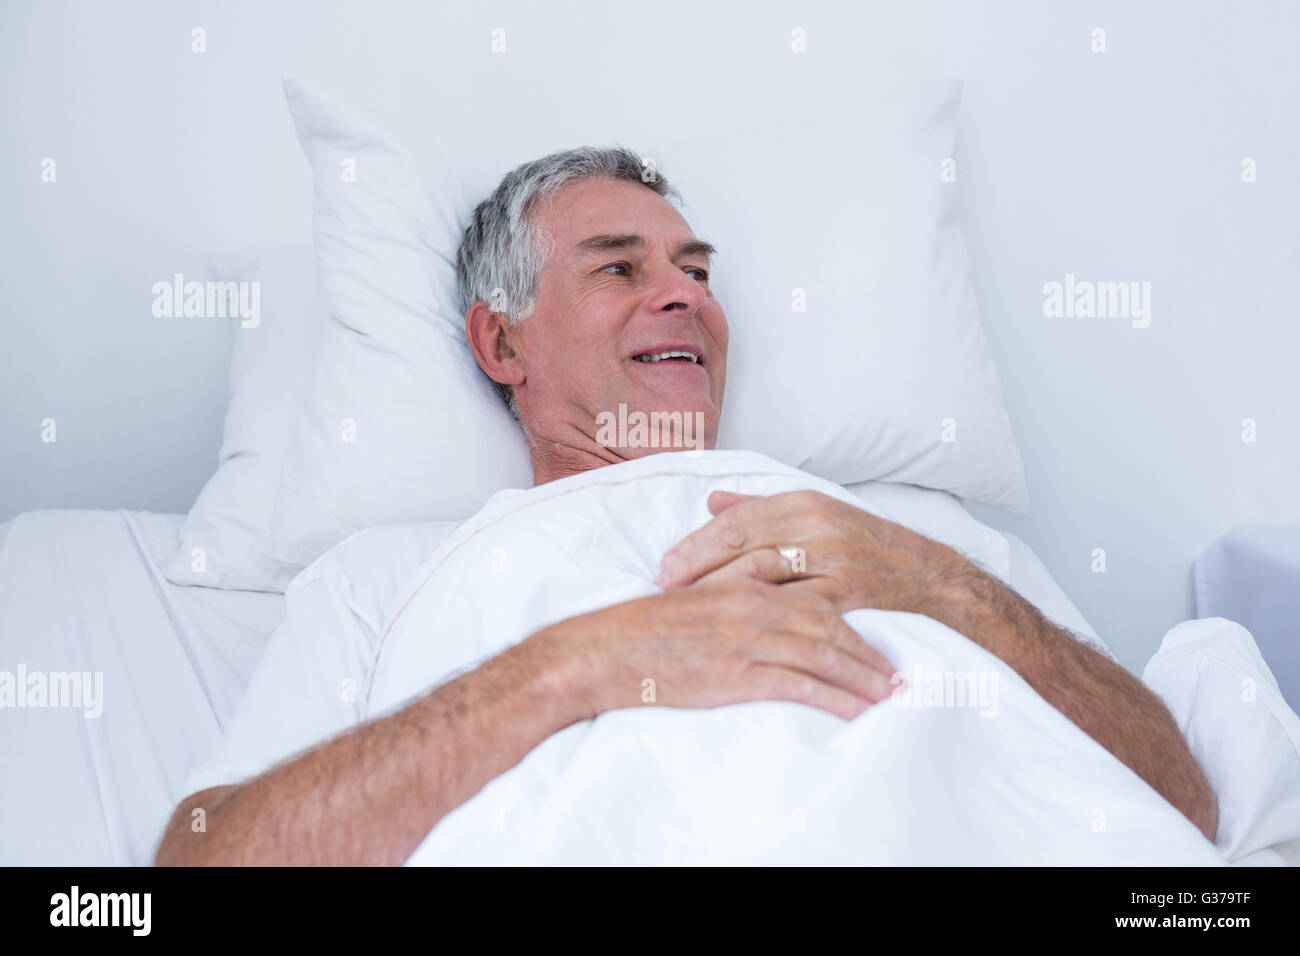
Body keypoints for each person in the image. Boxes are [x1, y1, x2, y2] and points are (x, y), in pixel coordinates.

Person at [155, 147, 1215, 865]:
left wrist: (936, 583)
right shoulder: (386, 576)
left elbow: (1184, 797)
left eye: (696, 269)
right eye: (620, 267)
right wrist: (575, 664)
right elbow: (207, 854)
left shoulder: (927, 537)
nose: (687, 295)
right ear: (502, 343)